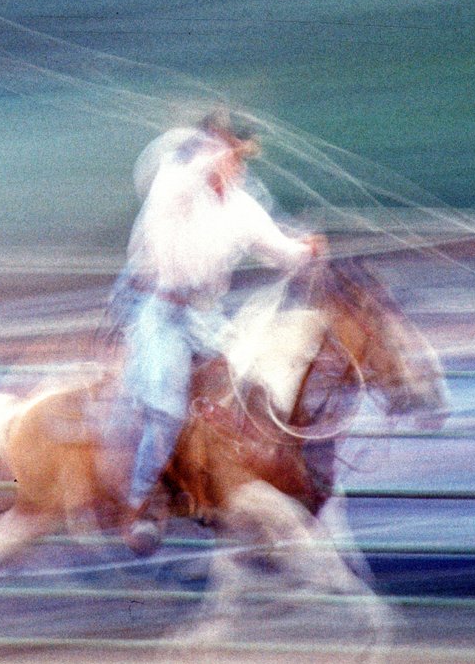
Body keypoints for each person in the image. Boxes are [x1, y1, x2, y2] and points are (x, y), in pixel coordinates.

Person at [112, 110, 323, 553]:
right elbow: (182, 176)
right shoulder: (175, 188)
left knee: (254, 383)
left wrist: (303, 250)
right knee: (167, 408)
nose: (236, 163)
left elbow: (275, 247)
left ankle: (225, 484)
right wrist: (213, 146)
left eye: (238, 156)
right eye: (229, 153)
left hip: (204, 315)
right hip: (160, 311)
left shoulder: (241, 205)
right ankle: (139, 500)